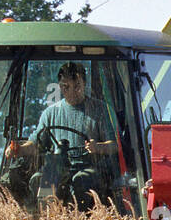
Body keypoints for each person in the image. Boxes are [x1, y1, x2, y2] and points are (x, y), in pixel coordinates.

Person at [7, 62, 118, 204]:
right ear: (60, 87)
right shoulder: (50, 113)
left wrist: (98, 147)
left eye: (76, 86)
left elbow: (116, 145)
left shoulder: (101, 110)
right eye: (66, 87)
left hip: (89, 168)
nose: (72, 92)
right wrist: (18, 149)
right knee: (38, 180)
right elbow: (35, 144)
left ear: (84, 84)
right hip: (58, 168)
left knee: (81, 181)